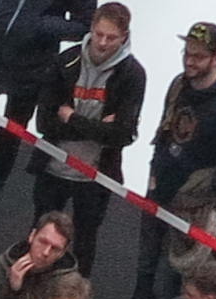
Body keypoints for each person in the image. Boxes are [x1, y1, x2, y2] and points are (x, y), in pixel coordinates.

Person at [122, 19, 216, 299]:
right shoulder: (179, 85)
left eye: (199, 56)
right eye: (187, 53)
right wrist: (154, 175)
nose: (190, 61)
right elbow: (164, 133)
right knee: (144, 268)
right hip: (158, 197)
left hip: (188, 213)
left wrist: (199, 211)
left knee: (170, 282)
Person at [25, 2, 148, 260]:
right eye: (99, 34)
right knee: (38, 235)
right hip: (52, 167)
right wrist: (99, 128)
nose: (102, 43)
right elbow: (44, 123)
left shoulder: (132, 75)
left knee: (84, 245)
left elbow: (123, 134)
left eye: (111, 38)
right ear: (91, 27)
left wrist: (72, 117)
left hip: (95, 176)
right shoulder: (66, 60)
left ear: (124, 37)